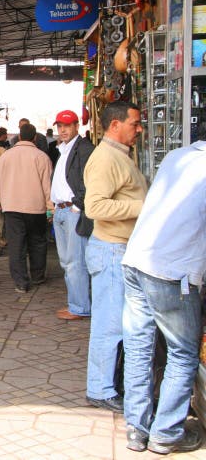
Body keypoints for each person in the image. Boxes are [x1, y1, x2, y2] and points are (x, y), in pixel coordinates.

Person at [120, 128, 206, 454]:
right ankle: (166, 434)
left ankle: (136, 430)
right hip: (172, 272)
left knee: (140, 347)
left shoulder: (177, 156)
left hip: (136, 261)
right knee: (182, 354)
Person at [83, 100, 147, 413]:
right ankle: (100, 389)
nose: (139, 129)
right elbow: (95, 207)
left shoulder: (121, 155)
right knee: (109, 325)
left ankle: (109, 384)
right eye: (134, 123)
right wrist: (144, 208)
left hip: (119, 249)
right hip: (110, 250)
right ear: (115, 125)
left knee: (117, 324)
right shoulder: (106, 158)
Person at [0, 123, 52, 293]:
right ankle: (38, 276)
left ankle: (21, 282)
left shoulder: (5, 156)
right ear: (34, 138)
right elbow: (47, 186)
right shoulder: (42, 157)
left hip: (12, 208)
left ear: (18, 137)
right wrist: (51, 208)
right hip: (36, 208)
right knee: (38, 242)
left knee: (16, 245)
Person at [51, 110, 94, 321]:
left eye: (67, 126)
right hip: (61, 210)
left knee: (75, 261)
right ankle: (75, 303)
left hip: (72, 211)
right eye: (60, 126)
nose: (63, 130)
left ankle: (79, 306)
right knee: (67, 261)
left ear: (77, 126)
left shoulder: (84, 149)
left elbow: (91, 181)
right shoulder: (63, 150)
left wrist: (77, 206)